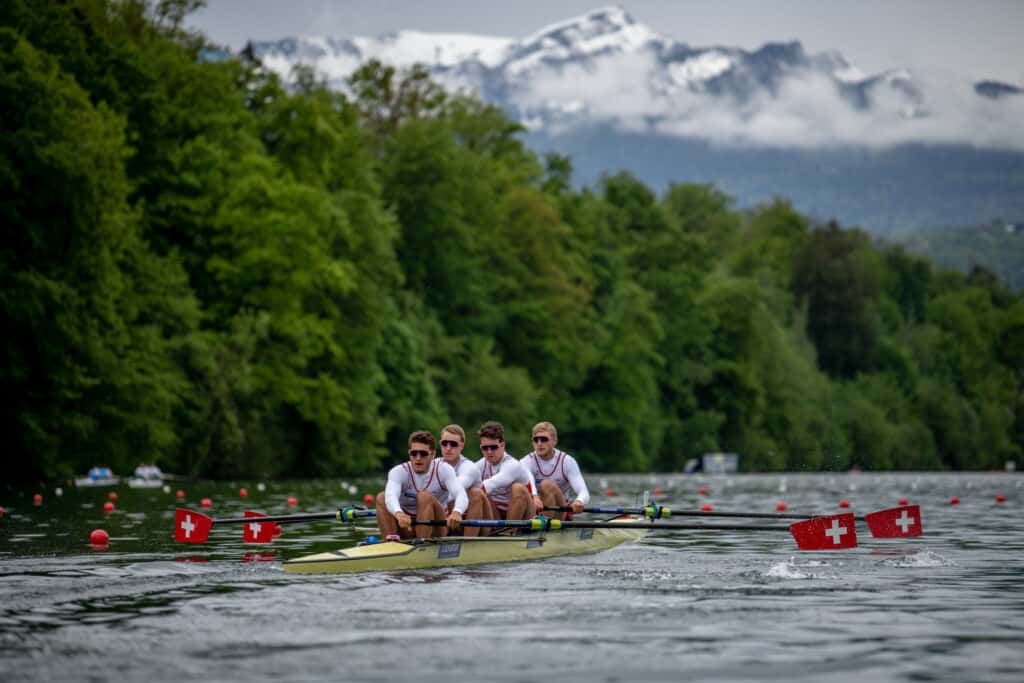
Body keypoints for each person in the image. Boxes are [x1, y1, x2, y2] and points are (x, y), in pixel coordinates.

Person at [375, 430, 468, 540]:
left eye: (423, 454)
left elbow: (461, 494)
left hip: (436, 527)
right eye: (414, 453)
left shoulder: (443, 470)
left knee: (423, 496)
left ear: (432, 454)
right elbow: (390, 496)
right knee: (382, 497)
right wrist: (398, 513)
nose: (418, 458)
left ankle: (422, 544)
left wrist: (457, 512)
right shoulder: (398, 472)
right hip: (407, 526)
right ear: (409, 453)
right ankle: (391, 542)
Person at [520, 421, 590, 521]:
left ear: (554, 441)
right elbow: (529, 480)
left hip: (560, 511)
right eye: (536, 440)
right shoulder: (525, 461)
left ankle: (543, 527)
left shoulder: (567, 461)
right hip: (534, 510)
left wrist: (579, 501)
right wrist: (534, 496)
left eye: (544, 439)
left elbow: (583, 491)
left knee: (546, 485)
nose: (539, 444)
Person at [439, 424, 494, 536]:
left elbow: (456, 488)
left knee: (475, 492)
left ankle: (469, 541)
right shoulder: (434, 465)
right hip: (450, 519)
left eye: (453, 444)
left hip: (479, 523)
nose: (448, 448)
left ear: (461, 446)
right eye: (445, 443)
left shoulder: (469, 467)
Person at [475, 420, 536, 521]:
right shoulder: (480, 465)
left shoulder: (512, 465)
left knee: (517, 488)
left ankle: (509, 532)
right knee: (474, 491)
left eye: (493, 447)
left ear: (502, 445)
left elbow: (492, 483)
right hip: (497, 513)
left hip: (525, 515)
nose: (489, 452)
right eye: (485, 448)